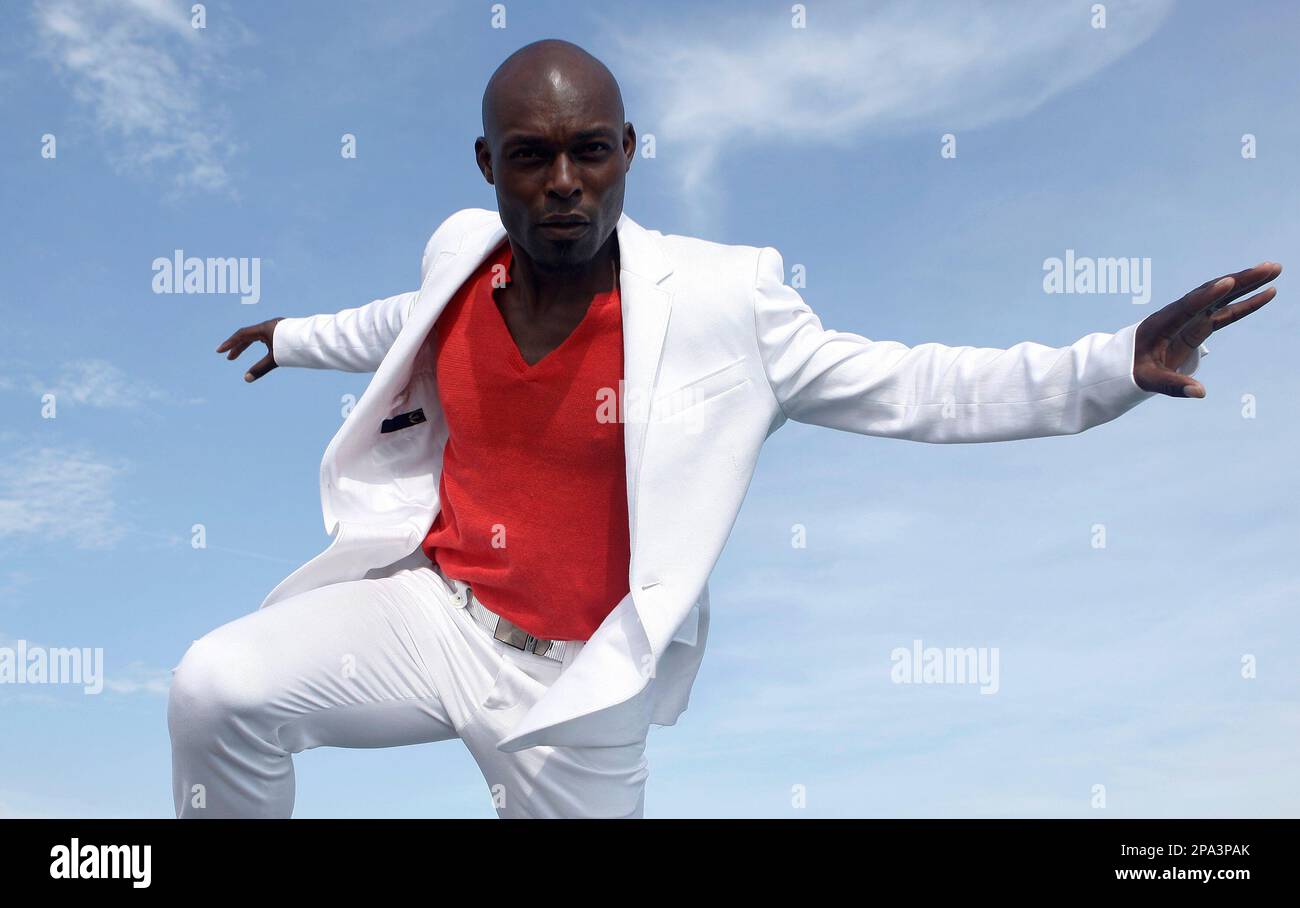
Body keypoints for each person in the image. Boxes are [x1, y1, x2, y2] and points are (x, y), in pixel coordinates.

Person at [174, 38, 1282, 819]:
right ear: (487, 166)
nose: (563, 183)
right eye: (531, 156)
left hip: (578, 682)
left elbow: (918, 385)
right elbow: (393, 323)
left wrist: (1108, 369)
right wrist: (297, 332)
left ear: (627, 151)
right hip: (436, 614)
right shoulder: (461, 253)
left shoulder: (722, 303)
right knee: (218, 686)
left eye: (590, 150)